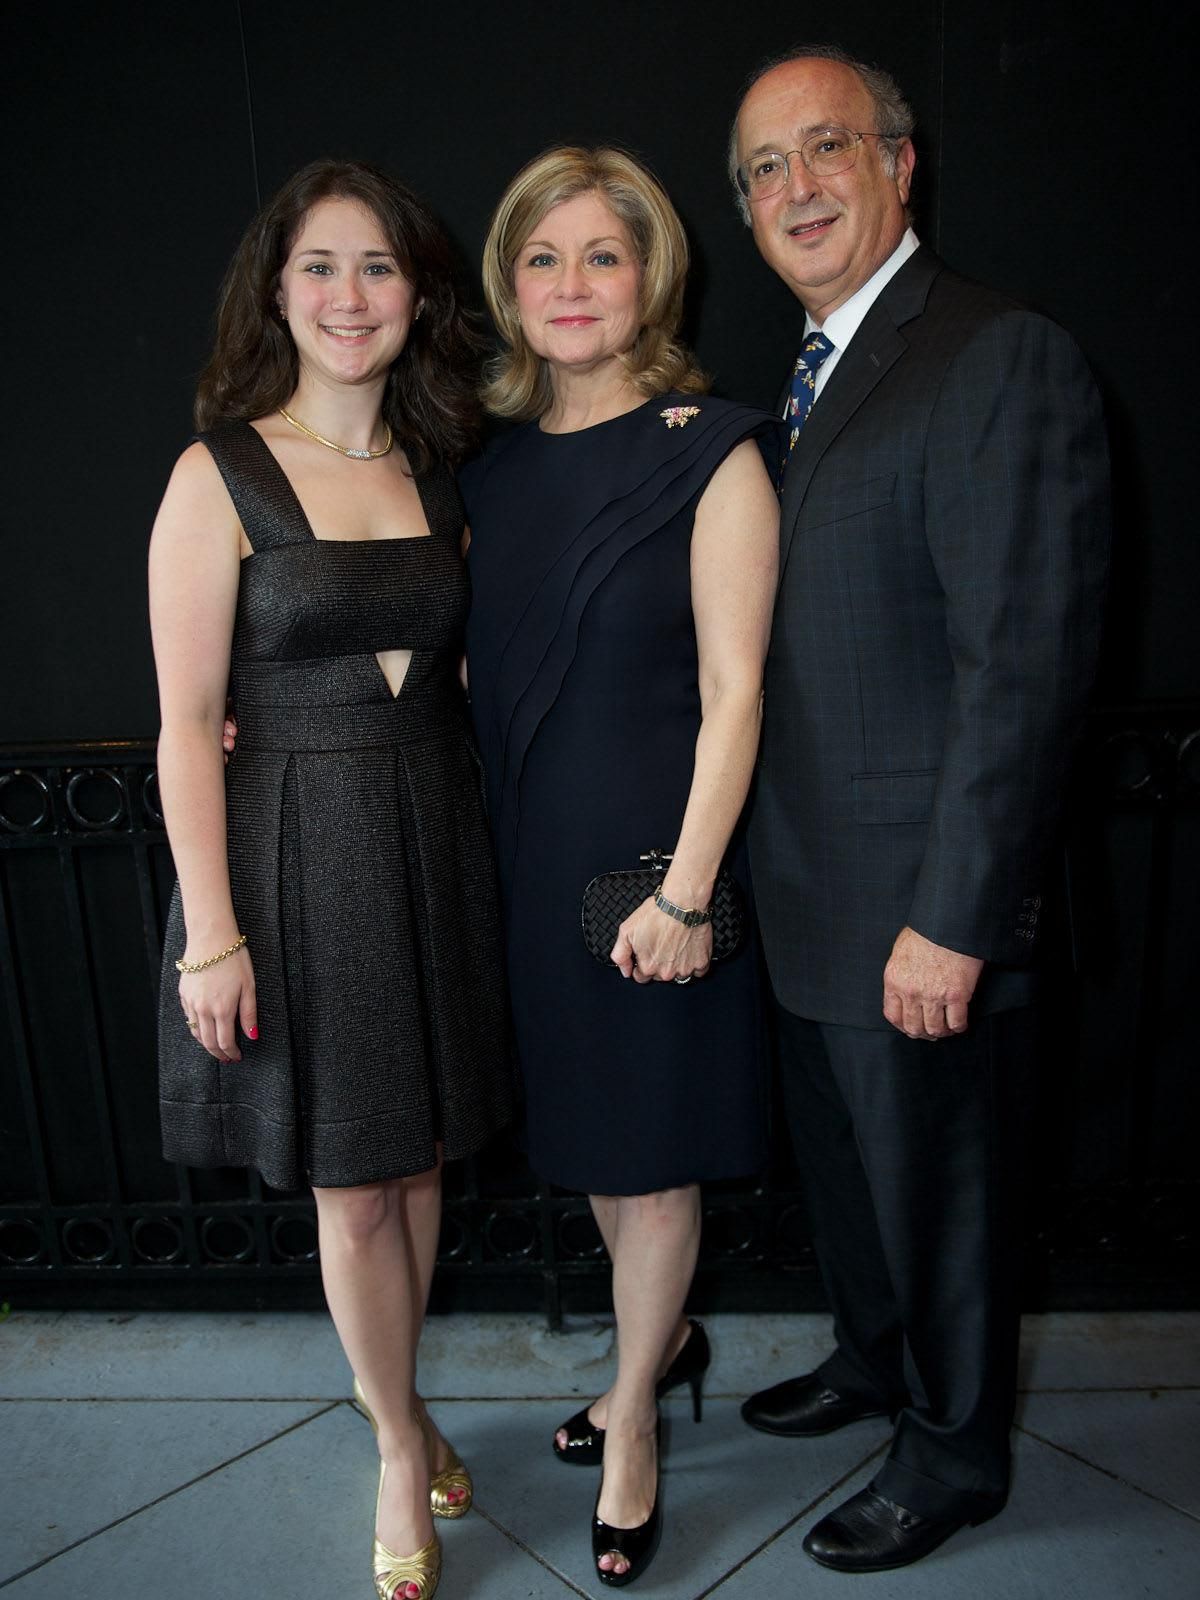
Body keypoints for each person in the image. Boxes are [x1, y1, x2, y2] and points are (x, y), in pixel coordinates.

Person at [730, 46, 1110, 1572]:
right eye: (763, 169)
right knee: (851, 1184)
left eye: (825, 150)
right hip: (811, 896)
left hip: (919, 910)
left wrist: (954, 917)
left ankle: (953, 1453)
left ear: (902, 165)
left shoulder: (998, 354)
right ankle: (877, 1363)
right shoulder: (808, 381)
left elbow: (1019, 667)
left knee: (943, 1199)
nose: (794, 188)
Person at [150, 159, 513, 1600]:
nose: (349, 295)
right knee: (351, 1186)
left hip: (432, 833)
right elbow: (183, 722)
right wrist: (211, 936)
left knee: (418, 1162)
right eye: (320, 266)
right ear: (277, 290)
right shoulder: (216, 472)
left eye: (377, 267)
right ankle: (390, 1441)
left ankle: (403, 1395)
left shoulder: (441, 470)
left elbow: (468, 667)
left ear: (416, 293)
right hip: (294, 860)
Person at [461, 146, 780, 1586]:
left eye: (604, 253)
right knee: (594, 1151)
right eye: (544, 257)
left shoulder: (714, 445)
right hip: (534, 872)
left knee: (651, 1174)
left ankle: (636, 1415)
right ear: (508, 286)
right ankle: (659, 1346)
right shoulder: (487, 465)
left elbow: (738, 694)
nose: (572, 284)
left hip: (654, 873)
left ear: (651, 275)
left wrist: (690, 891)